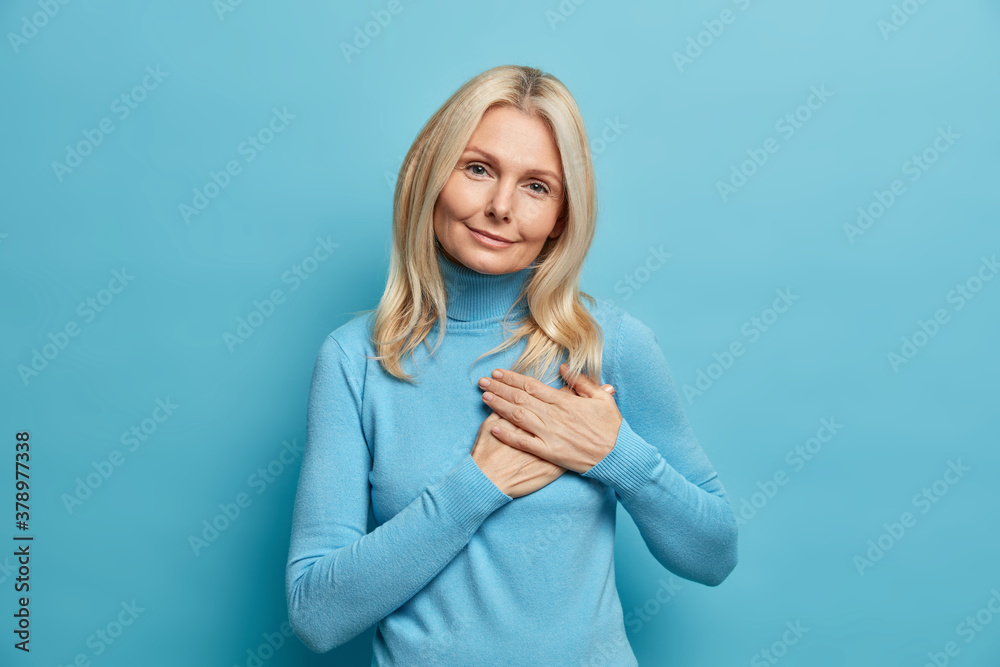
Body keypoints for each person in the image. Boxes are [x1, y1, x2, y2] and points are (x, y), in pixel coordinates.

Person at [285, 64, 738, 665]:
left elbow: (713, 557)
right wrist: (476, 487)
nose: (501, 206)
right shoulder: (356, 359)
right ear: (430, 175)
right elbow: (317, 615)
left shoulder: (611, 347)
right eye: (478, 169)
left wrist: (617, 456)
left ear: (561, 217)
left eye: (536, 186)